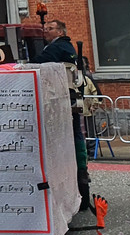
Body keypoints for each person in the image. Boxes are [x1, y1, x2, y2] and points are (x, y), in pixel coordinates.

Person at [39, 18, 93, 209]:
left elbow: (38, 64)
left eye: (50, 29)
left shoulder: (56, 48)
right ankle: (82, 175)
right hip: (69, 98)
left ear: (60, 32)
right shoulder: (68, 47)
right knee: (76, 133)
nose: (46, 31)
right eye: (45, 28)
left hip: (60, 100)